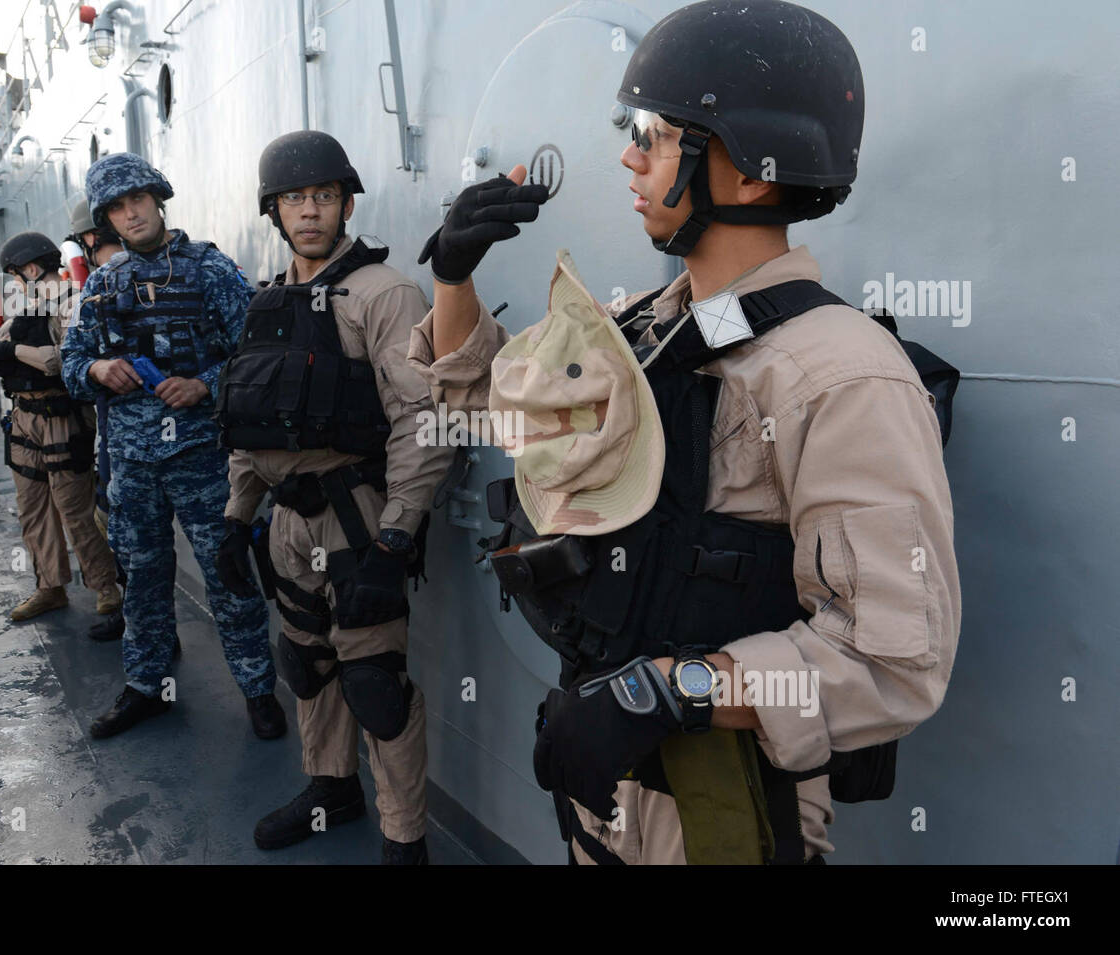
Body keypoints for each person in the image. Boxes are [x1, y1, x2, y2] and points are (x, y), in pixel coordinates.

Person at [408, 0, 960, 864]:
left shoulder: (843, 375)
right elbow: (495, 408)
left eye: (656, 135)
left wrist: (665, 692)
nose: (628, 154)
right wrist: (452, 273)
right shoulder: (642, 330)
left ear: (748, 175)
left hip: (720, 812)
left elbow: (893, 660)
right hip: (607, 799)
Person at [215, 131, 451, 864]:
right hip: (287, 521)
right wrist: (235, 518)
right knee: (306, 662)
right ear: (274, 210)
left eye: (323, 196)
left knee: (375, 683)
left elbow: (424, 421)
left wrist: (398, 537)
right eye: (294, 198)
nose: (309, 211)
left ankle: (404, 833)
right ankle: (330, 787)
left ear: (345, 203)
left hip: (357, 518)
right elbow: (253, 424)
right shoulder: (266, 301)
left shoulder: (385, 294)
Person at [61, 153, 282, 740]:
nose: (129, 213)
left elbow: (257, 359)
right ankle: (147, 686)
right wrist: (100, 368)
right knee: (142, 580)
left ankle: (258, 689)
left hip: (202, 457)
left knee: (228, 578)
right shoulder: (104, 283)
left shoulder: (209, 269)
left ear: (157, 199)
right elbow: (72, 362)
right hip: (132, 463)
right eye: (116, 206)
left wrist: (204, 384)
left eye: (137, 199)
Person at [0, 232, 120, 621]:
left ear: (30, 268)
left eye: (16, 276)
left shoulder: (74, 304)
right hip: (24, 419)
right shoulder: (27, 311)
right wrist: (11, 352)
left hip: (62, 419)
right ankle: (49, 586)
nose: (15, 285)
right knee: (33, 508)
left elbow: (62, 361)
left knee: (75, 508)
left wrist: (16, 352)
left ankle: (106, 586)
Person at [66, 197, 128, 643]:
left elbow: (73, 367)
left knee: (122, 534)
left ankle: (136, 620)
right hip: (191, 440)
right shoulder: (180, 269)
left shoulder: (96, 289)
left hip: (122, 439)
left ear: (91, 237)